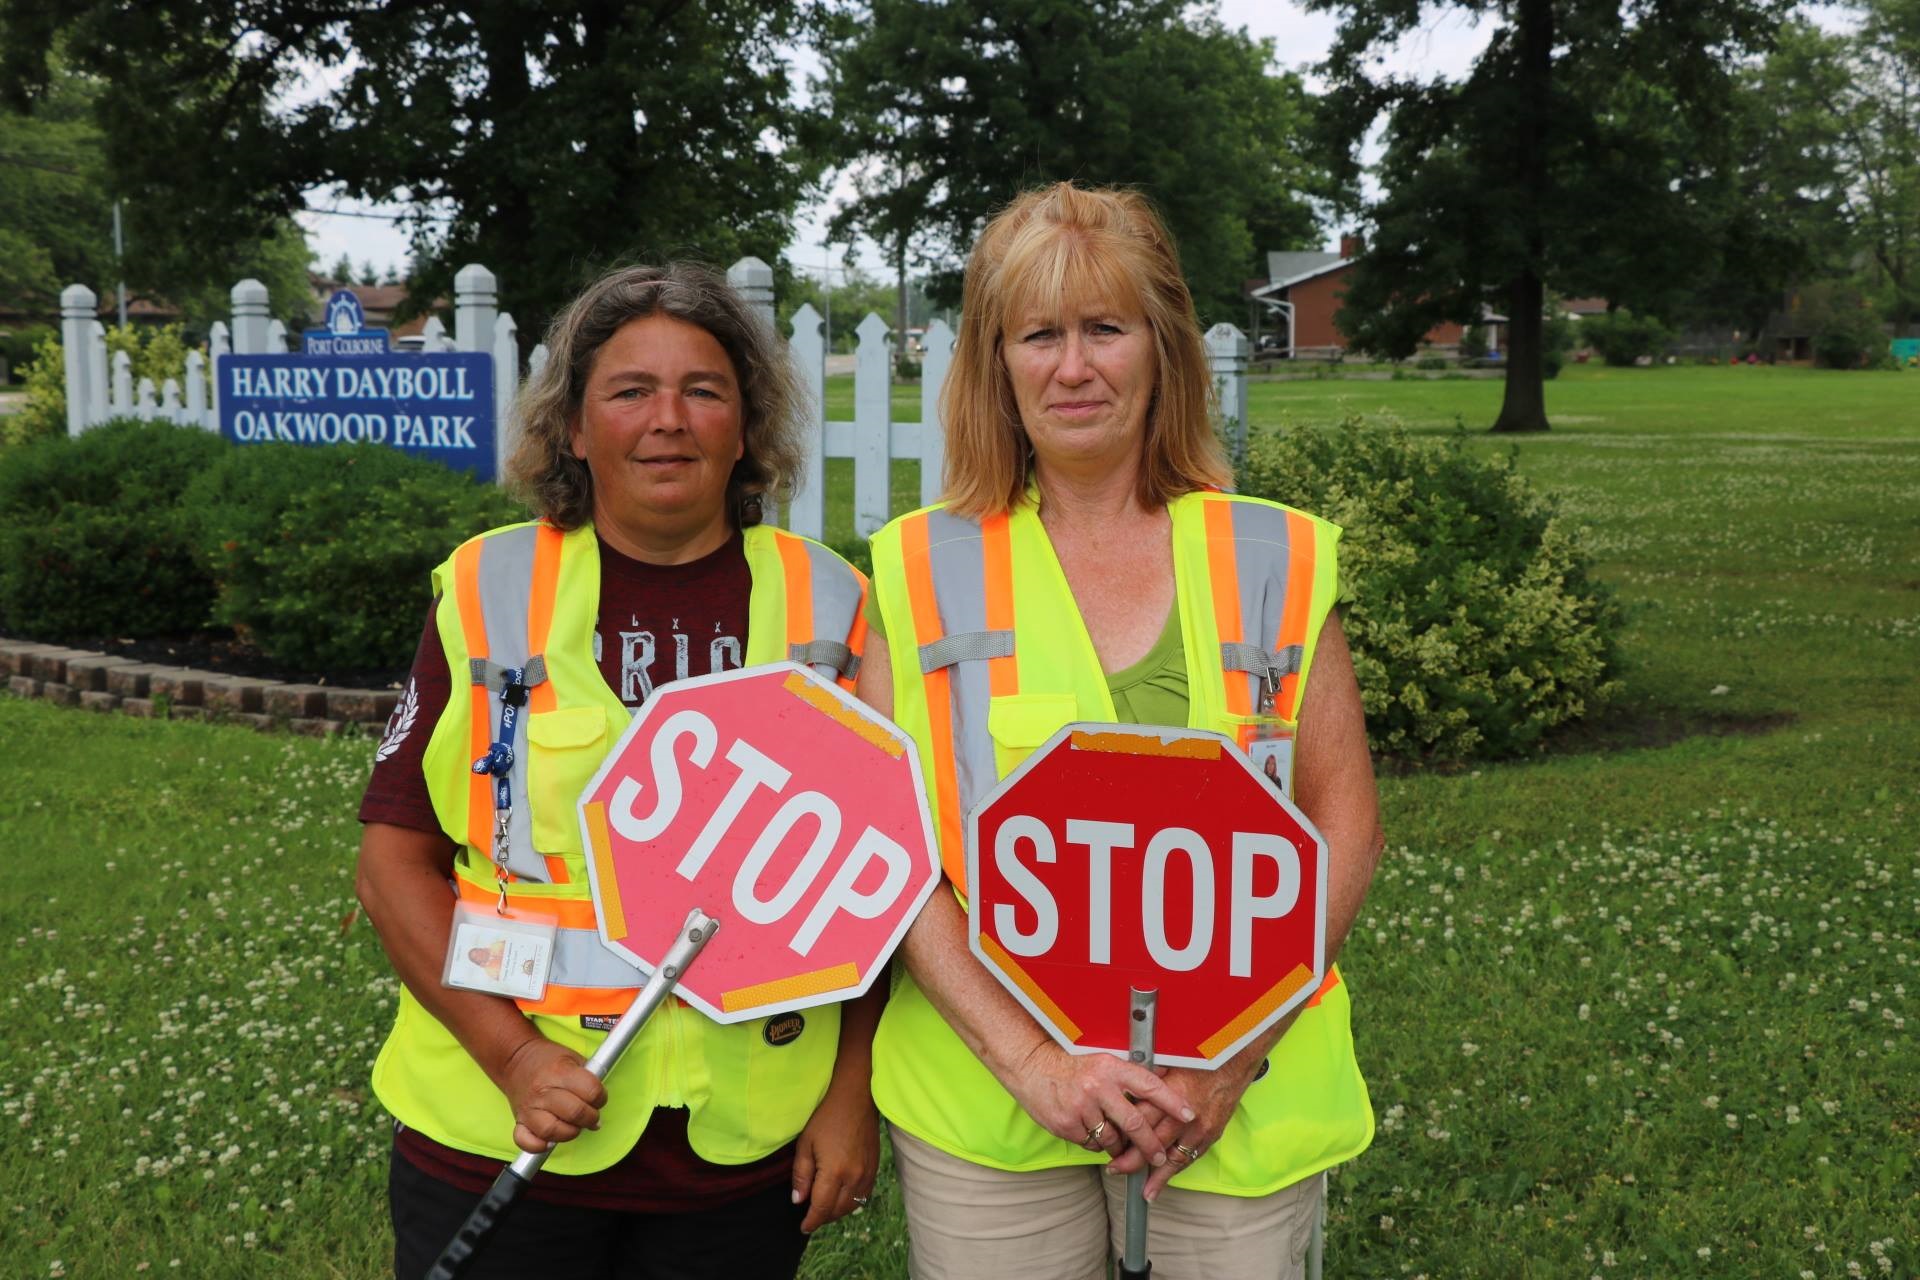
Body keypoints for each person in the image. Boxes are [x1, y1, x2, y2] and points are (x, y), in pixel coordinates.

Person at [854, 184, 1384, 1280]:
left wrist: (1227, 1063)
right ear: (995, 362)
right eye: (1038, 334)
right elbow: (889, 848)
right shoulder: (915, 569)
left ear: (1164, 349)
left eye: (1106, 327)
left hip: (1236, 1099)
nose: (1073, 366)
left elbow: (1343, 822)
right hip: (989, 1101)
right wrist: (1038, 1063)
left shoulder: (1273, 556)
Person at [356, 263, 879, 1279]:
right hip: (501, 1125)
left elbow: (878, 884)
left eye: (705, 389)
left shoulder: (835, 607)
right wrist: (513, 1055)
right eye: (630, 389)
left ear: (747, 424)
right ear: (575, 427)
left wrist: (847, 1090)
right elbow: (392, 867)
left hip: (740, 1141)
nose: (669, 419)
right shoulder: (488, 588)